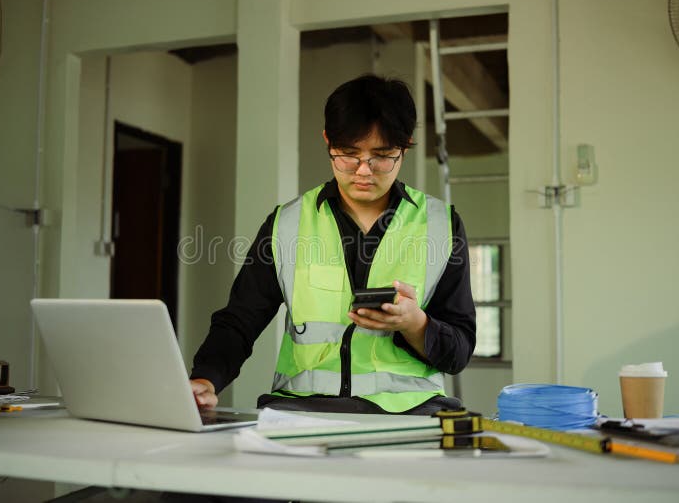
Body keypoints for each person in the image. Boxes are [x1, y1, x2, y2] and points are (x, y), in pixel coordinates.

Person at [189, 74, 476, 415]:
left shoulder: (441, 225)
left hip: (410, 413)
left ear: (405, 146)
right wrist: (207, 378)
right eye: (348, 155)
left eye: (382, 156)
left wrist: (416, 324)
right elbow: (240, 319)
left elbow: (458, 352)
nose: (364, 171)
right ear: (328, 140)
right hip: (303, 411)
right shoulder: (287, 224)